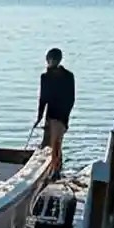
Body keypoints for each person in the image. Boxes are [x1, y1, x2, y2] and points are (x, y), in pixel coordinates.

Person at [36, 47, 75, 179]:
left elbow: (71, 98)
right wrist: (39, 117)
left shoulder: (68, 76)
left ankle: (56, 171)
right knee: (49, 143)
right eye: (49, 59)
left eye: (53, 59)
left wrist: (65, 117)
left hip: (60, 116)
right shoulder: (45, 77)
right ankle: (51, 170)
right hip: (51, 115)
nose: (50, 61)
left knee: (56, 143)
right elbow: (43, 99)